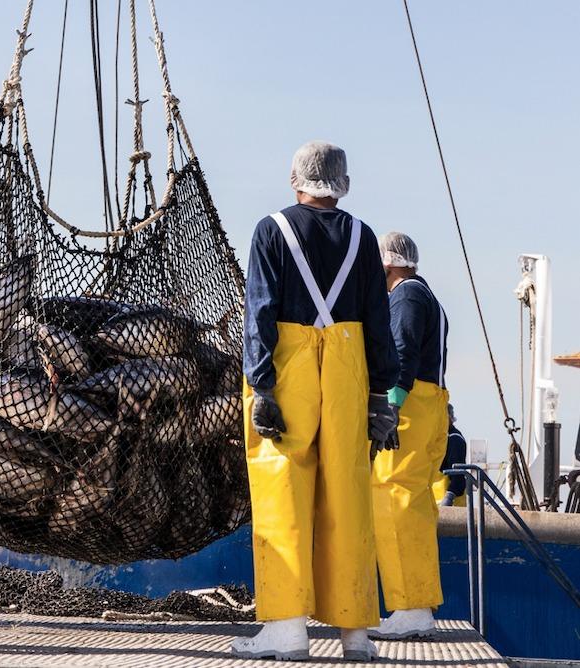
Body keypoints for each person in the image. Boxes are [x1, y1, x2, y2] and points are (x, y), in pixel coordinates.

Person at [234, 141, 400, 661]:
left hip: (289, 367)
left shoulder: (271, 230)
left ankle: (286, 629)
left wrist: (262, 386)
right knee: (348, 495)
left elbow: (260, 311)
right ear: (343, 183)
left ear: (294, 179)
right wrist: (380, 396)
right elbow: (379, 322)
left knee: (283, 491)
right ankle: (355, 635)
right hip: (350, 369)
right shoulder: (362, 236)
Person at [371, 231, 449, 639]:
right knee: (413, 504)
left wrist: (391, 404)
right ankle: (415, 603)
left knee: (394, 498)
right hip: (428, 405)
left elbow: (402, 349)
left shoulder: (406, 296)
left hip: (409, 409)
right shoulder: (425, 295)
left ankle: (411, 608)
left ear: (389, 264)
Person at [433, 404, 467, 506]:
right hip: (433, 501)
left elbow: (459, 475)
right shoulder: (436, 439)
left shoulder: (454, 439)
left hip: (451, 505)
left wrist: (449, 496)